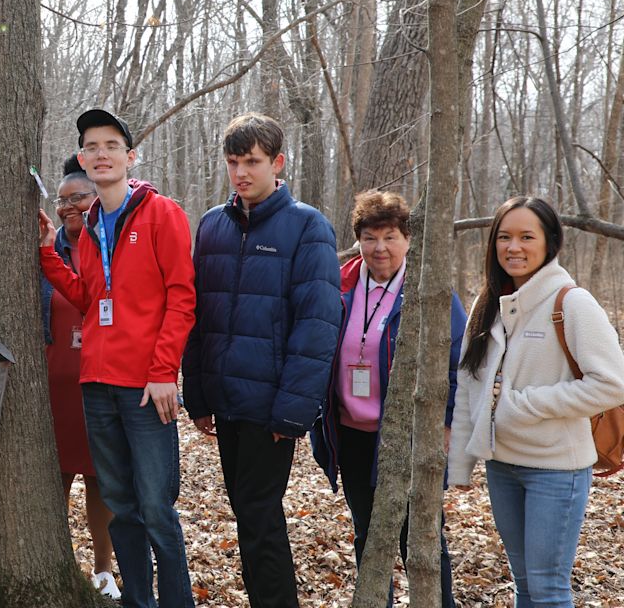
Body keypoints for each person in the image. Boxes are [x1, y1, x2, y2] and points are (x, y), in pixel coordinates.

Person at [181, 112, 341, 608]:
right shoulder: (212, 225)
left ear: (278, 163)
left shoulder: (308, 226)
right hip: (226, 401)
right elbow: (198, 316)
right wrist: (199, 396)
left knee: (259, 516)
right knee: (248, 515)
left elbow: (317, 327)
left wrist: (292, 414)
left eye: (251, 162)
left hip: (271, 406)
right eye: (233, 162)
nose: (241, 173)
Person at [38, 108, 197, 608]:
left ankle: (175, 602)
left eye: (111, 145)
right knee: (122, 506)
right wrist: (47, 253)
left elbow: (182, 297)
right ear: (83, 159)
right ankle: (138, 602)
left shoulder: (160, 212)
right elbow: (89, 297)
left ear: (130, 157)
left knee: (155, 507)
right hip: (96, 385)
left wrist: (164, 371)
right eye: (92, 146)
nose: (100, 153)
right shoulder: (90, 227)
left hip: (146, 387)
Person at [449, 196, 624, 608]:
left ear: (550, 242)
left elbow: (613, 385)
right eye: (505, 237)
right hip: (502, 466)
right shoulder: (488, 303)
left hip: (556, 471)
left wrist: (522, 405)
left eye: (527, 237)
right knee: (524, 585)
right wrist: (460, 461)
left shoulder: (572, 302)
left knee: (547, 589)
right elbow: (468, 386)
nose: (514, 247)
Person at [309, 190, 463, 607]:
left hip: (406, 437)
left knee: (422, 537)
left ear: (408, 239)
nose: (380, 248)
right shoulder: (338, 283)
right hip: (349, 433)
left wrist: (445, 423)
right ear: (358, 239)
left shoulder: (427, 291)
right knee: (367, 534)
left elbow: (456, 362)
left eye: (390, 236)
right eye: (370, 236)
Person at [41, 165, 119, 598]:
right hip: (50, 385)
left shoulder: (107, 244)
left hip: (96, 379)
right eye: (63, 200)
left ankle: (103, 569)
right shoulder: (44, 247)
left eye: (79, 197)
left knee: (98, 478)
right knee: (54, 476)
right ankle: (56, 560)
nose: (70, 207)